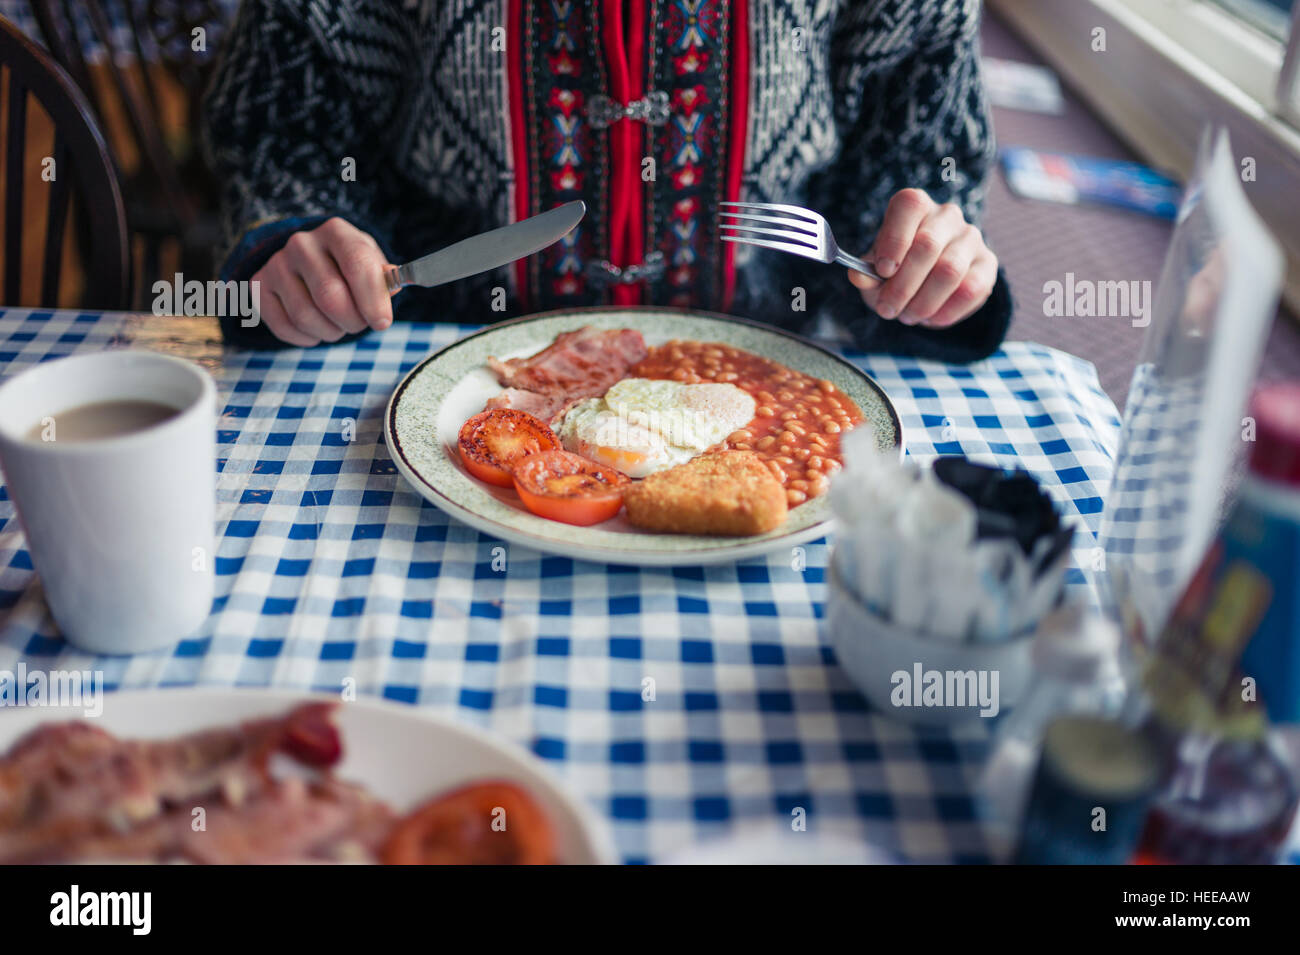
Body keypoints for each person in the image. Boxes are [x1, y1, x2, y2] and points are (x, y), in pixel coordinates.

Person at [204, 0, 1011, 361]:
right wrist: (299, 245)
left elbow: (914, 153)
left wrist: (918, 268)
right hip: (430, 382)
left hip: (767, 386)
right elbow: (286, 133)